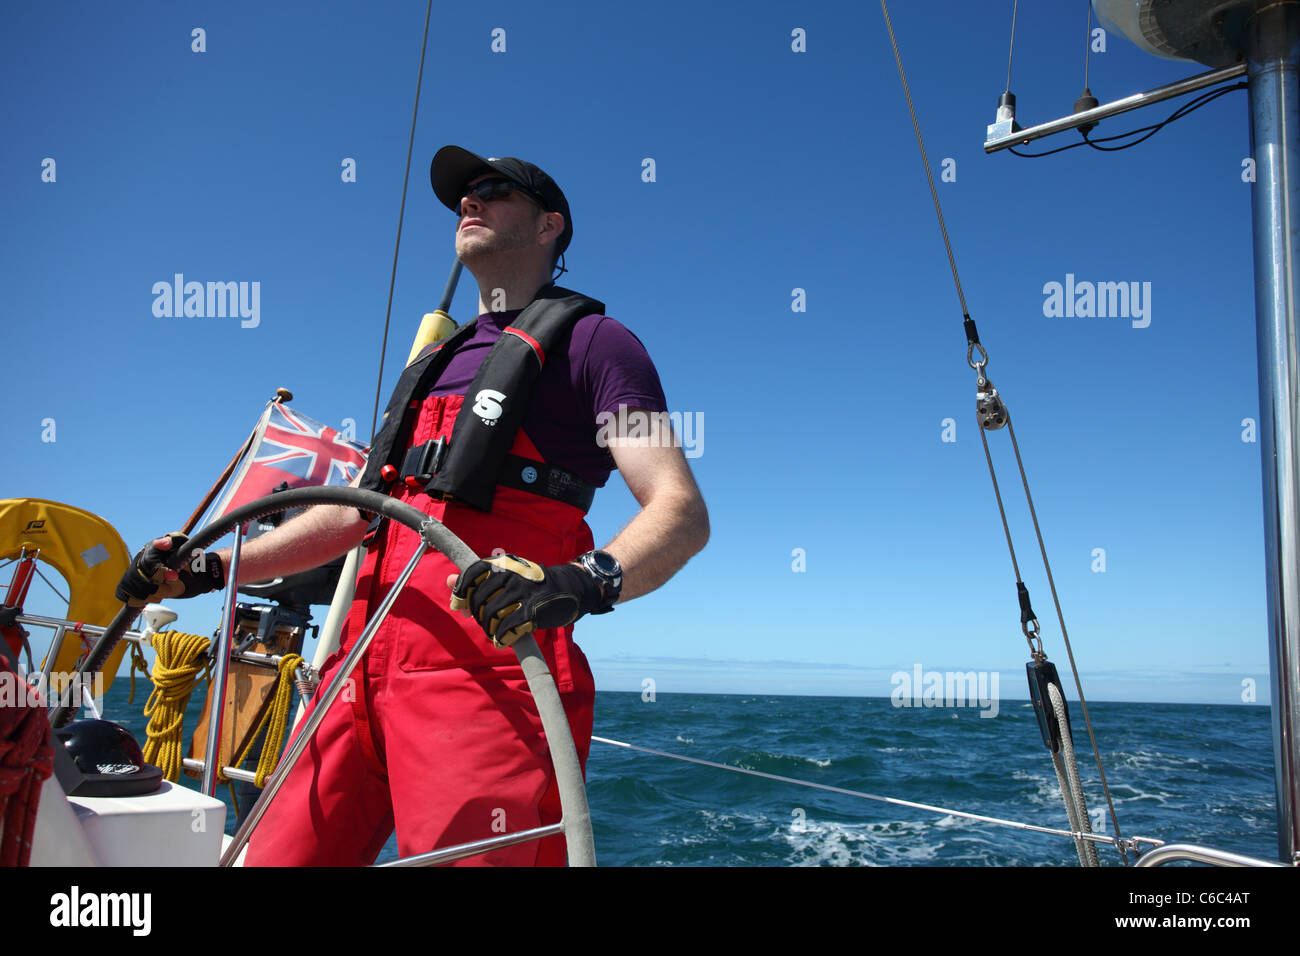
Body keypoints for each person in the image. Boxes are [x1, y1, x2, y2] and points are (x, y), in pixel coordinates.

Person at [116, 146, 709, 865]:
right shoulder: (429, 364)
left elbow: (679, 511)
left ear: (551, 225)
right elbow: (355, 514)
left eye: (494, 189)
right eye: (464, 194)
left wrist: (574, 584)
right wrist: (212, 568)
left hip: (488, 676)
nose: (469, 201)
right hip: (354, 672)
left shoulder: (598, 347)